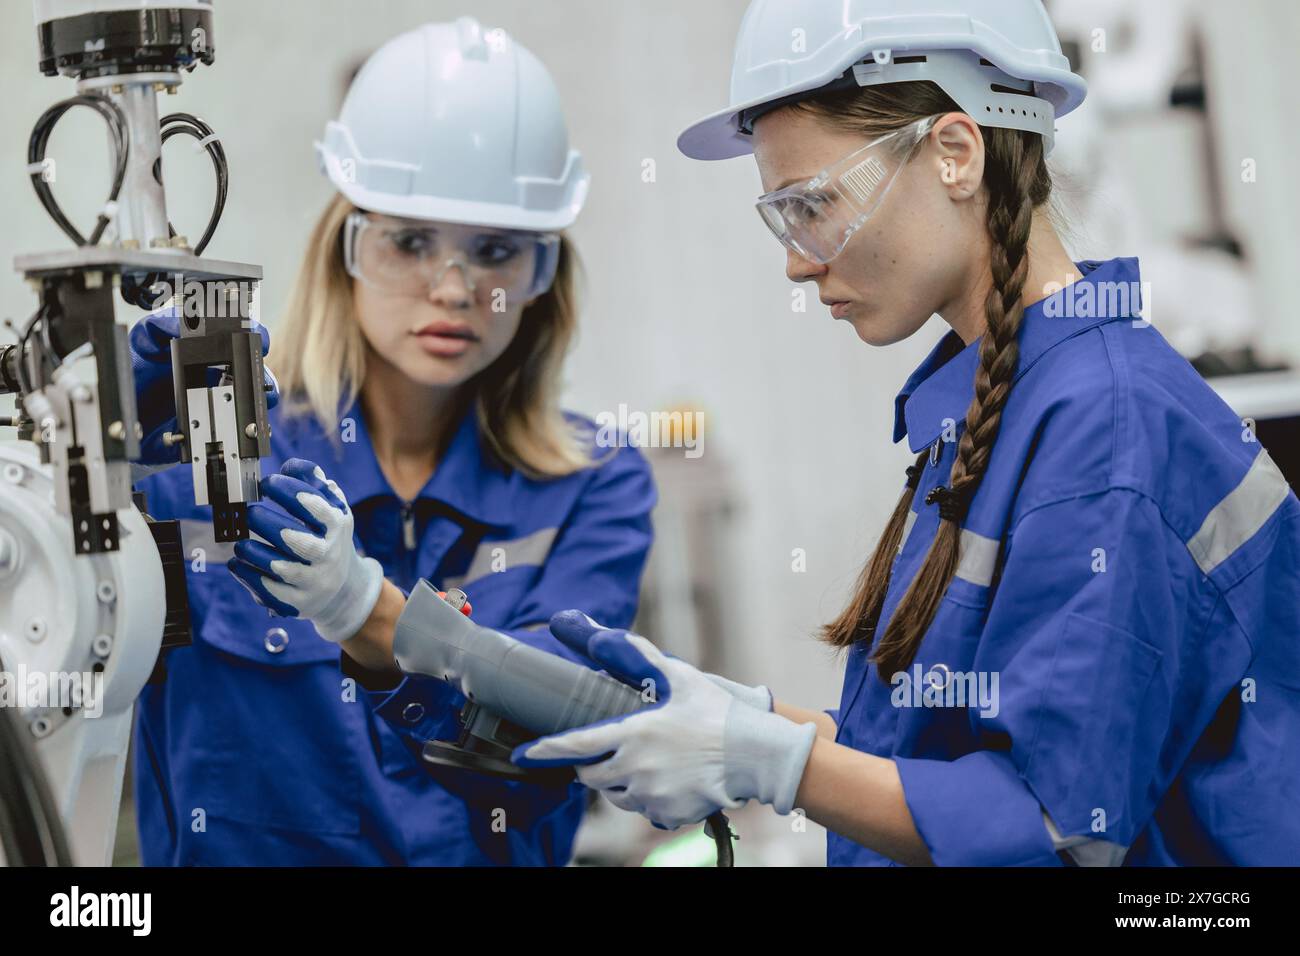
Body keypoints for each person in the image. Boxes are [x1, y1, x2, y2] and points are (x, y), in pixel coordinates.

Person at [511, 0, 1300, 866]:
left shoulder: (1105, 428)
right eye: (780, 216)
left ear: (955, 154)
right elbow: (937, 751)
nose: (797, 260)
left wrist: (776, 761)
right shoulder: (1002, 407)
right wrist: (743, 723)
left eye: (813, 203)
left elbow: (1055, 829)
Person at [128, 17, 655, 866]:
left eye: (495, 251)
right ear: (346, 249)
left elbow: (546, 755)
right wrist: (112, 448)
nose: (453, 289)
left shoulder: (596, 483)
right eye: (409, 241)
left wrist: (366, 614)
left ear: (542, 275)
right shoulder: (218, 456)